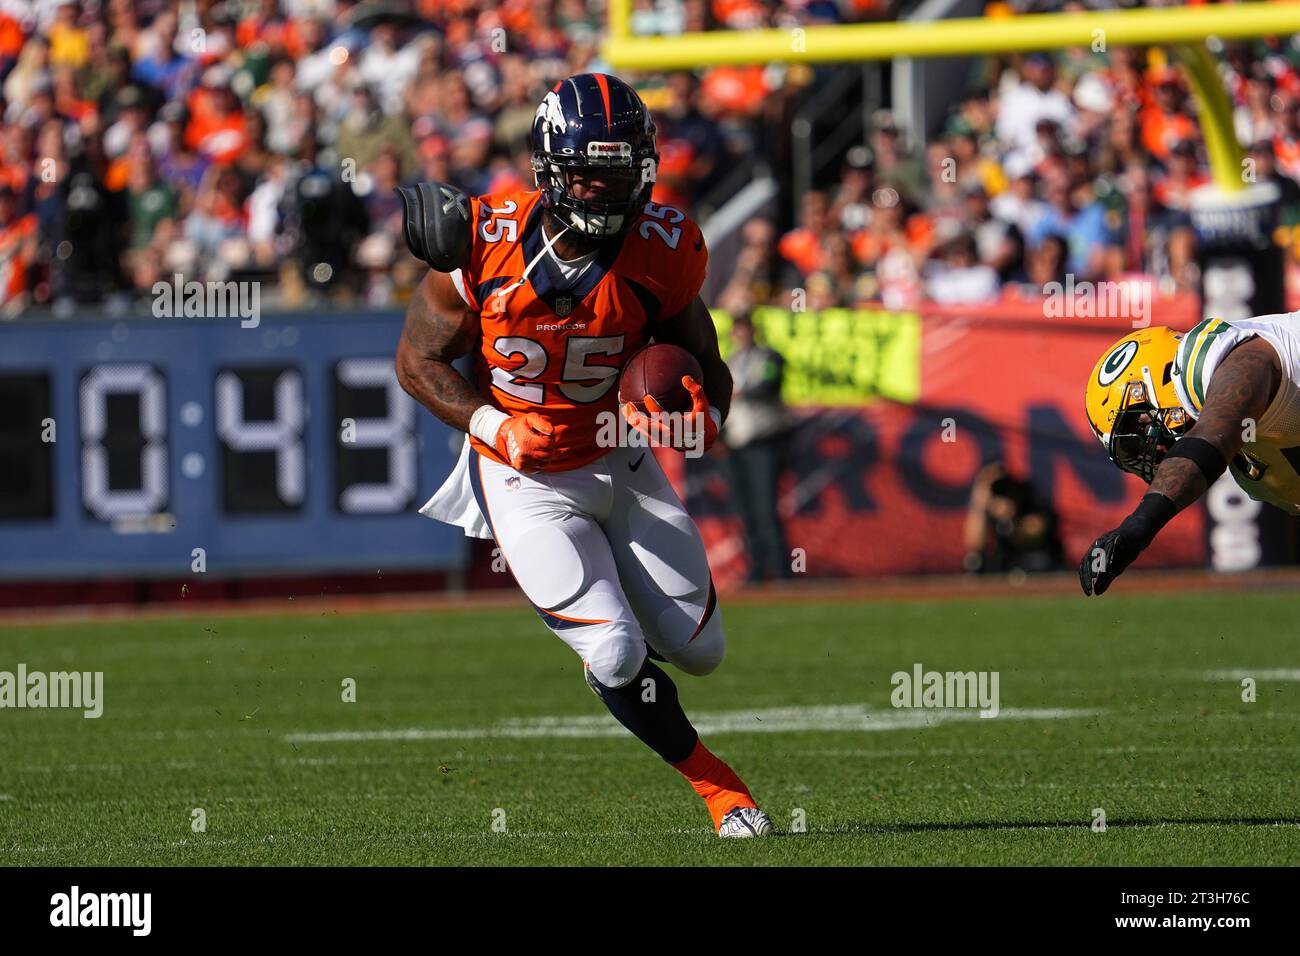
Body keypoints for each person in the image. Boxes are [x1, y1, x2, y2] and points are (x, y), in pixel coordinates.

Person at [394, 73, 772, 837]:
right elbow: (416, 363)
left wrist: (703, 412)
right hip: (523, 475)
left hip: (620, 460)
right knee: (614, 651)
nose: (603, 191)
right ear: (549, 168)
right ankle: (719, 788)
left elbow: (706, 362)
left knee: (701, 652)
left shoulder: (665, 251)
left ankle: (607, 617)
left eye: (619, 170)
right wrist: (496, 428)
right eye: (587, 173)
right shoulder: (483, 244)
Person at [1079, 316, 1300, 596]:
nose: (1153, 449)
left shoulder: (1217, 361)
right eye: (1132, 451)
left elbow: (1214, 431)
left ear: (1160, 376)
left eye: (1139, 428)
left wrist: (1139, 524)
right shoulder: (1253, 472)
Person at [724, 313, 793, 583]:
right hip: (737, 443)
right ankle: (757, 569)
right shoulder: (730, 361)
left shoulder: (770, 357)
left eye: (745, 329)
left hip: (764, 441)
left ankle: (782, 569)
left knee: (766, 507)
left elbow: (770, 385)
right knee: (745, 509)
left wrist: (744, 393)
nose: (741, 334)